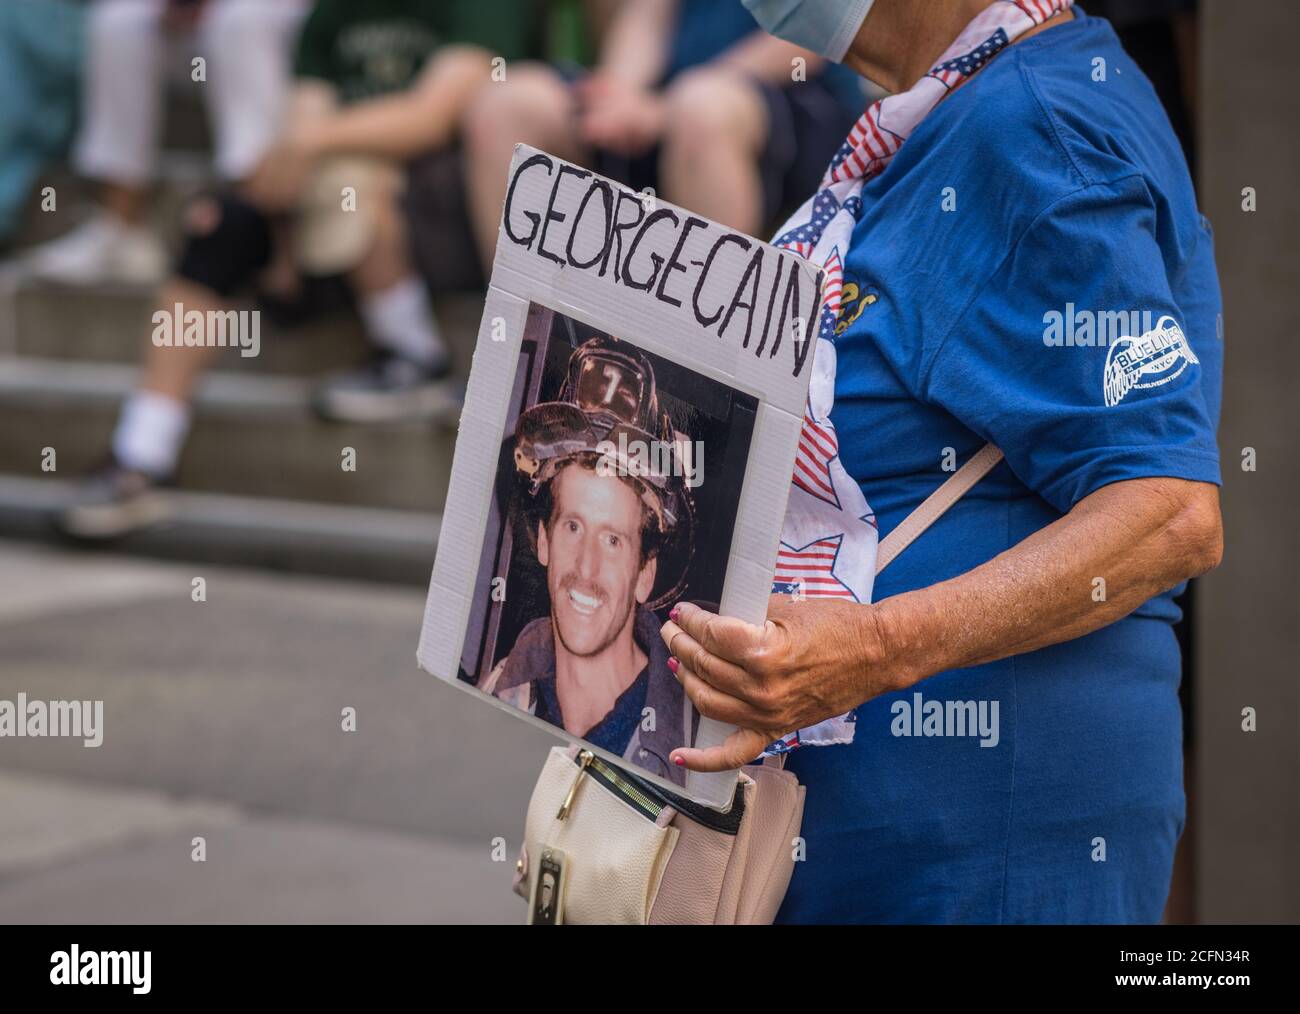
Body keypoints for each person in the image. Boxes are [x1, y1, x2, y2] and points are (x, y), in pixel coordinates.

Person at [657, 0, 1223, 924]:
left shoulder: (1037, 125)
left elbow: (1168, 509)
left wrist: (875, 650)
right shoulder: (962, 110)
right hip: (898, 848)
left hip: (988, 848)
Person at [56, 0, 541, 539]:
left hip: (433, 193)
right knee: (220, 226)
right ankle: (142, 452)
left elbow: (430, 119)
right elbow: (304, 112)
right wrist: (278, 195)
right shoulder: (335, 12)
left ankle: (413, 353)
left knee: (350, 186)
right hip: (334, 185)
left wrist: (310, 146)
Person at [461, 0, 865, 267]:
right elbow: (647, 18)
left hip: (795, 102)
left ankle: (714, 376)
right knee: (506, 104)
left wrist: (662, 109)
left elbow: (803, 44)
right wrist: (619, 95)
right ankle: (521, 343)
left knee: (701, 111)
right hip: (670, 96)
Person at [482, 338, 696, 786]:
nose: (586, 568)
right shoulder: (503, 685)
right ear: (544, 541)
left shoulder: (696, 733)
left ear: (645, 574)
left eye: (614, 540)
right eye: (573, 527)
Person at [22, 0, 310, 284]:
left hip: (265, 19)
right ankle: (121, 226)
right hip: (185, 24)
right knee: (119, 21)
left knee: (240, 20)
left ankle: (252, 223)